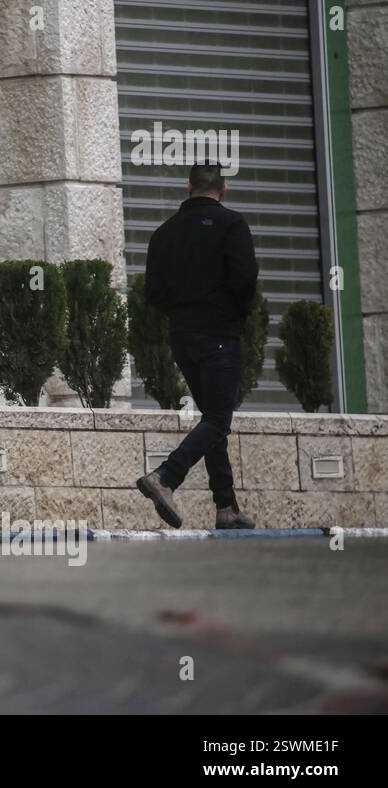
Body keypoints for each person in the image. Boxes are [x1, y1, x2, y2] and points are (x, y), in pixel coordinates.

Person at [136, 162, 258, 529]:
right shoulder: (232, 224)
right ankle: (165, 477)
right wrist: (232, 313)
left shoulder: (164, 233)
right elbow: (245, 280)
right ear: (223, 190)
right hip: (219, 335)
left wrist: (182, 311)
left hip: (182, 337)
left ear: (188, 188)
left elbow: (153, 293)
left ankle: (227, 507)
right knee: (219, 419)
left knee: (212, 419)